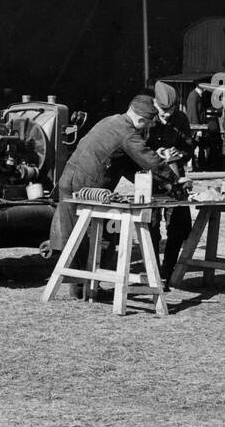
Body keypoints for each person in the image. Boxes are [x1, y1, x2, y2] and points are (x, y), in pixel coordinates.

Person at [46, 94, 176, 283]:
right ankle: (86, 286)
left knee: (75, 235)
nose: (147, 130)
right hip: (85, 185)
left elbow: (127, 165)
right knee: (95, 236)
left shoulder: (111, 120)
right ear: (140, 119)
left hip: (70, 179)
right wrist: (173, 179)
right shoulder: (127, 132)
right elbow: (148, 159)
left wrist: (157, 184)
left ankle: (83, 287)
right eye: (147, 125)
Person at [148, 82, 194, 283]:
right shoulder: (147, 117)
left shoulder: (181, 119)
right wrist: (155, 154)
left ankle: (167, 273)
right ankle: (153, 272)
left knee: (176, 225)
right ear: (154, 104)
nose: (166, 115)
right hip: (150, 178)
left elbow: (188, 147)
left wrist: (179, 153)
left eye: (170, 110)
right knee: (151, 225)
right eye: (163, 111)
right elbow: (136, 146)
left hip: (175, 177)